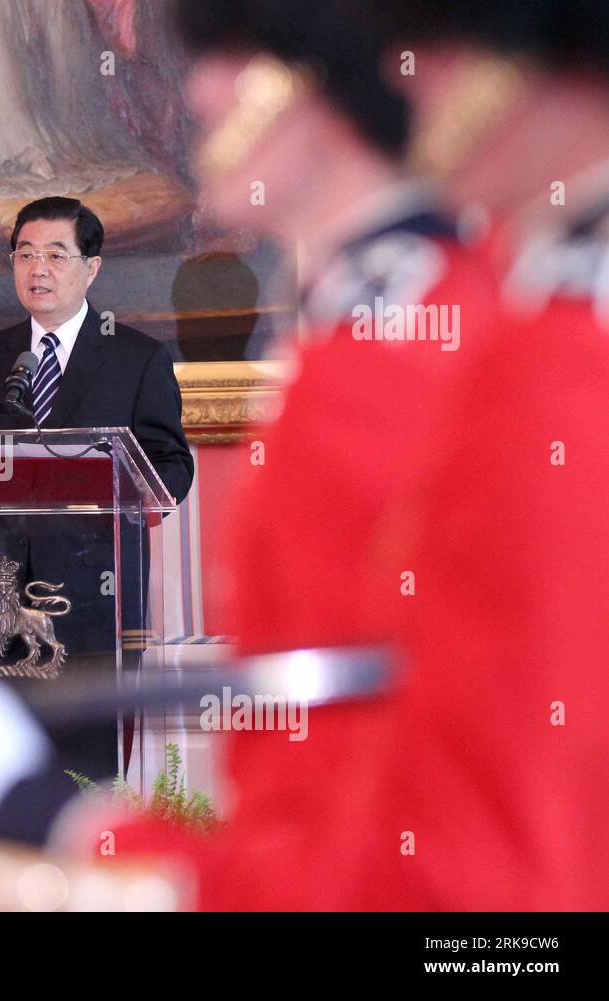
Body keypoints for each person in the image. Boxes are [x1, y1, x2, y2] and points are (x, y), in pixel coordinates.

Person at [41, 0, 609, 911]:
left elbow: (463, 886)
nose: (202, 87)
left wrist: (59, 833)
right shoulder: (459, 319)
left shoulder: (415, 357)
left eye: (238, 50)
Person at [0, 196, 194, 783]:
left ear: (92, 267)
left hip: (100, 598)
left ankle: (94, 871)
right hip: (3, 603)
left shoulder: (136, 357)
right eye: (25, 254)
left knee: (92, 777)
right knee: (17, 779)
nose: (38, 269)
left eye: (56, 254)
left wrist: (125, 491)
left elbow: (171, 466)